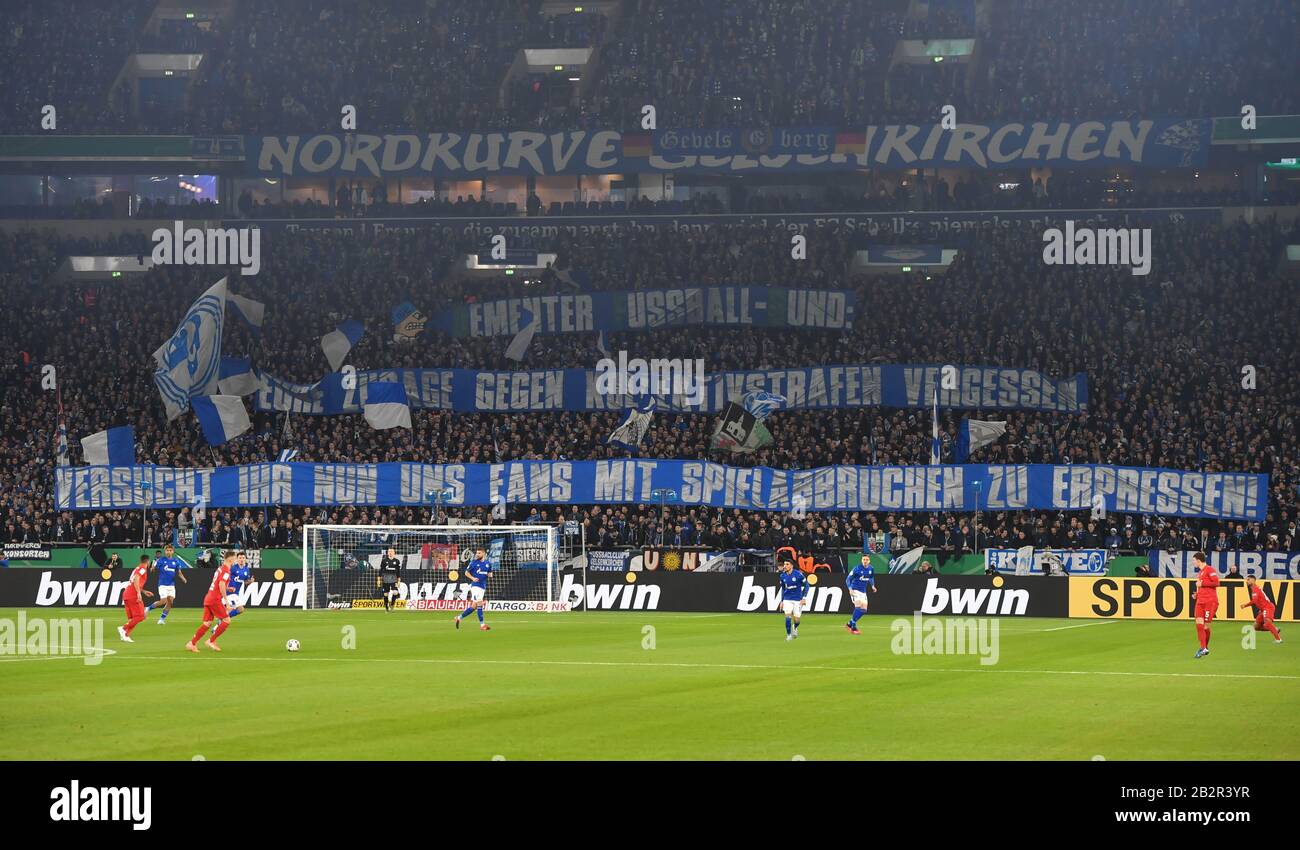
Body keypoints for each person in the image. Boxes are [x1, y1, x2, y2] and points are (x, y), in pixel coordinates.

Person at [187, 550, 233, 653]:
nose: (234, 560)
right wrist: (227, 601)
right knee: (226, 620)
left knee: (207, 623)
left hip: (209, 597)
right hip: (215, 599)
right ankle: (211, 641)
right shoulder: (226, 570)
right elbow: (221, 584)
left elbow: (219, 583)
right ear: (230, 558)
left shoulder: (220, 569)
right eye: (234, 558)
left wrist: (227, 588)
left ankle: (192, 643)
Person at [144, 542, 188, 624]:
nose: (168, 552)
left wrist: (183, 578)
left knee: (170, 602)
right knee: (163, 601)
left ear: (173, 551)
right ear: (165, 551)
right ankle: (148, 608)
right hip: (162, 584)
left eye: (170, 550)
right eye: (167, 550)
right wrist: (152, 567)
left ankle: (161, 620)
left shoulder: (176, 561)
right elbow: (153, 568)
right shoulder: (161, 560)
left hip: (171, 585)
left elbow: (179, 572)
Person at [455, 546, 494, 631]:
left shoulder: (488, 564)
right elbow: (466, 573)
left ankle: (459, 617)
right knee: (480, 603)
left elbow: (490, 574)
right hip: (475, 586)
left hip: (482, 586)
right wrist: (473, 578)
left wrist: (489, 574)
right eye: (477, 553)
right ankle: (482, 625)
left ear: (483, 553)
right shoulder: (473, 563)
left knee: (474, 606)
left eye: (479, 553)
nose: (477, 554)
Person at [117, 555, 154, 643]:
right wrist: (138, 592)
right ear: (148, 562)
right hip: (132, 595)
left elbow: (134, 581)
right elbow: (136, 579)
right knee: (141, 616)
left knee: (133, 618)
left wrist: (144, 591)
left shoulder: (136, 568)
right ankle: (123, 628)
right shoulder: (142, 569)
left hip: (127, 594)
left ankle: (125, 635)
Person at [1192, 552, 1219, 659]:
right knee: (1199, 624)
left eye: (1194, 560)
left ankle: (1205, 647)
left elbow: (1216, 583)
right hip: (1200, 601)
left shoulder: (1210, 569)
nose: (1193, 562)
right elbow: (1203, 588)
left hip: (1210, 602)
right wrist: (1197, 594)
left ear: (1199, 560)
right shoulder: (1201, 572)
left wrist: (1202, 584)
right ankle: (1203, 648)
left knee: (1205, 626)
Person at [1239, 576, 1282, 644]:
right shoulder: (1254, 589)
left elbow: (1254, 601)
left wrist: (1245, 605)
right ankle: (1275, 629)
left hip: (1268, 607)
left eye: (1248, 579)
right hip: (1263, 609)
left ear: (1253, 580)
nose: (1246, 581)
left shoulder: (1255, 589)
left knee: (1267, 623)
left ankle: (1278, 639)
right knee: (1256, 627)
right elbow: (1258, 601)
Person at [844, 554, 877, 635]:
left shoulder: (871, 568)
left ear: (869, 561)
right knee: (858, 606)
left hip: (863, 591)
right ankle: (853, 627)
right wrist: (850, 589)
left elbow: (871, 577)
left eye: (866, 560)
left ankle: (849, 623)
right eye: (863, 560)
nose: (865, 561)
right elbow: (848, 579)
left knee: (864, 610)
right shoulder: (857, 568)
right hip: (855, 590)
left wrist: (872, 585)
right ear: (861, 560)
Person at [777, 557, 808, 641]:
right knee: (787, 616)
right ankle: (788, 635)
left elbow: (806, 585)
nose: (785, 566)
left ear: (791, 566)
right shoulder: (782, 576)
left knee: (797, 620)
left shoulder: (798, 574)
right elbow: (783, 589)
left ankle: (794, 627)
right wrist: (782, 601)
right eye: (784, 564)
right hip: (787, 599)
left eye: (787, 564)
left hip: (798, 599)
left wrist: (804, 598)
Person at [225, 551, 255, 619]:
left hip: (236, 594)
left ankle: (223, 619)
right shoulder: (232, 568)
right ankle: (223, 620)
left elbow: (245, 582)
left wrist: (250, 581)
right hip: (229, 592)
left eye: (243, 558)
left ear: (245, 559)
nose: (241, 559)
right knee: (239, 609)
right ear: (237, 559)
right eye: (240, 558)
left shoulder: (246, 569)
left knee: (240, 609)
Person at [378, 547, 402, 612]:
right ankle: (386, 607)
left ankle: (392, 605)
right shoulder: (384, 561)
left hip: (393, 579)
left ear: (394, 553)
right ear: (387, 553)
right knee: (385, 594)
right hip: (386, 579)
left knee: (395, 592)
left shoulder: (397, 561)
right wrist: (378, 579)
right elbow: (380, 570)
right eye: (389, 551)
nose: (390, 553)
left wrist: (399, 580)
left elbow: (398, 571)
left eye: (392, 551)